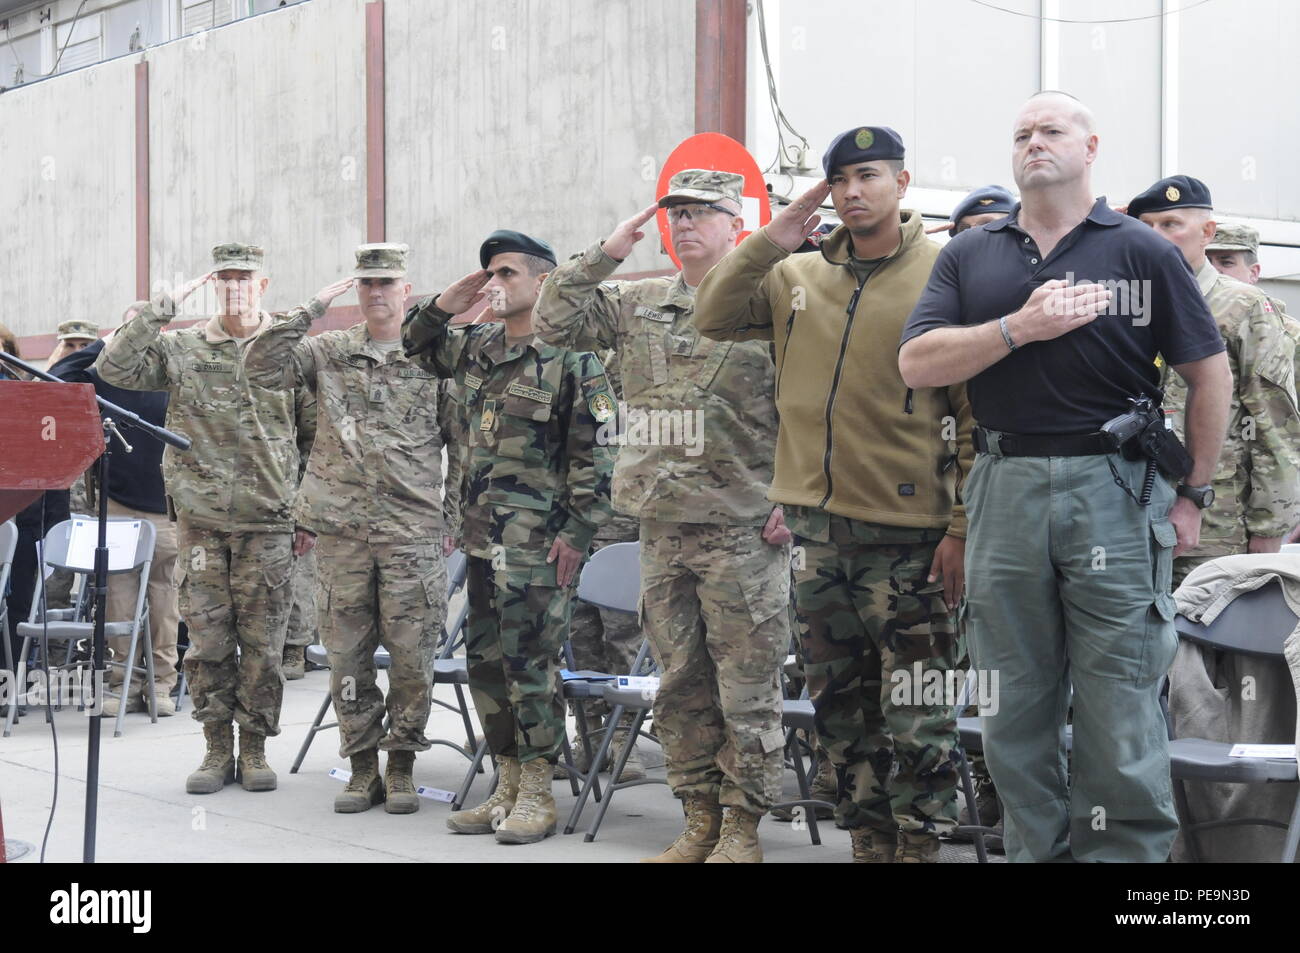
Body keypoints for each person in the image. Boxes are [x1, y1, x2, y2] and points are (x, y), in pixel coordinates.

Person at [898, 91, 1233, 862]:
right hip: (1004, 483)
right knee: (1013, 704)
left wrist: (1194, 493)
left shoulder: (1142, 250)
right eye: (1022, 133)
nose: (1034, 143)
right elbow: (916, 362)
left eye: (1052, 130)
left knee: (1120, 701)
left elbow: (1209, 376)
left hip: (1113, 486)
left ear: (1091, 148)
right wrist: (1020, 327)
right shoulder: (970, 254)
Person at [695, 128, 972, 863]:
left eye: (868, 175)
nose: (853, 192)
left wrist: (960, 526)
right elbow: (711, 315)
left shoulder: (946, 274)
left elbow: (973, 413)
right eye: (840, 179)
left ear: (903, 183)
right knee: (839, 707)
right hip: (819, 534)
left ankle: (921, 842)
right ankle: (869, 840)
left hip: (914, 536)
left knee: (917, 708)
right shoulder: (797, 275)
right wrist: (772, 237)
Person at [535, 170, 788, 863]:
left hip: (743, 527)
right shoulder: (639, 302)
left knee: (746, 687)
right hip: (662, 526)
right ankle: (698, 816)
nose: (685, 223)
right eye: (676, 212)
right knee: (679, 686)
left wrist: (793, 495)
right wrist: (607, 252)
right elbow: (552, 319)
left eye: (703, 212)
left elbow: (812, 403)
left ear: (736, 224)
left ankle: (742, 826)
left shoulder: (773, 300)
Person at [95, 244, 353, 794]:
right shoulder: (184, 347)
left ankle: (254, 748)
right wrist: (162, 308)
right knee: (209, 643)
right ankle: (216, 747)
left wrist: (307, 513)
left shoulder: (288, 351)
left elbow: (316, 438)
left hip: (270, 520)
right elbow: (113, 367)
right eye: (226, 277)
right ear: (214, 285)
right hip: (201, 522)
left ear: (263, 285)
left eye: (245, 277)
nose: (236, 286)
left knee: (263, 644)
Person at [404, 229, 615, 845]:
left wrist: (578, 532)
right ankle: (506, 780)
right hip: (479, 539)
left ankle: (539, 792)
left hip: (539, 544)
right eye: (489, 274)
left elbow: (598, 456)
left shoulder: (573, 357)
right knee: (488, 665)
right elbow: (415, 344)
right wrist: (449, 300)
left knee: (532, 666)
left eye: (506, 273)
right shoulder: (477, 346)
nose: (494, 285)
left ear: (543, 282)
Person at [249, 242, 461, 814]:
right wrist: (309, 310)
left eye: (386, 283)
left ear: (406, 290)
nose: (376, 292)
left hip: (412, 532)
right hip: (342, 534)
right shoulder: (329, 351)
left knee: (413, 658)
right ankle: (362, 765)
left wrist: (452, 517)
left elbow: (460, 441)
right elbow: (259, 366)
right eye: (366, 283)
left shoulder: (435, 355)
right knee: (347, 658)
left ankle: (402, 764)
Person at [1129, 175, 1300, 583]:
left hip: (1217, 522)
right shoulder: (1129, 301)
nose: (1155, 236)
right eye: (1145, 226)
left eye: (1170, 224)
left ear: (1206, 232)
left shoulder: (1243, 306)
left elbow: (1275, 423)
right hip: (1131, 513)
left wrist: (1269, 526)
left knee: (1208, 619)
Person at [50, 306, 180, 716]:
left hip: (168, 504)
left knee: (164, 600)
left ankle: (161, 684)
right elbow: (58, 379)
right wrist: (102, 344)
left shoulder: (176, 368)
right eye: (131, 327)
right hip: (117, 501)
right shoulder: (105, 373)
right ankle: (123, 682)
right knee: (118, 600)